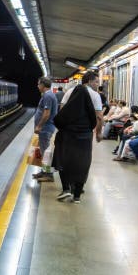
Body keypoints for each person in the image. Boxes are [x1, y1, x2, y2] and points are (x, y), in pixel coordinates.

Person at [53, 71, 103, 203]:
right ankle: (77, 195)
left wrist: (62, 127)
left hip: (68, 135)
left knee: (65, 161)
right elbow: (98, 117)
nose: (98, 85)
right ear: (89, 81)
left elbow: (62, 112)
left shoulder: (69, 92)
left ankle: (66, 189)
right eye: (97, 82)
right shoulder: (95, 95)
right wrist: (98, 132)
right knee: (82, 163)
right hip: (85, 136)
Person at [32, 77, 59, 183]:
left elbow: (46, 113)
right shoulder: (49, 95)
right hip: (46, 128)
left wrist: (39, 126)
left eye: (38, 84)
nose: (37, 86)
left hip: (46, 128)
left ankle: (48, 174)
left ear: (43, 85)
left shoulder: (48, 95)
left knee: (46, 152)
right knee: (44, 152)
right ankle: (44, 171)